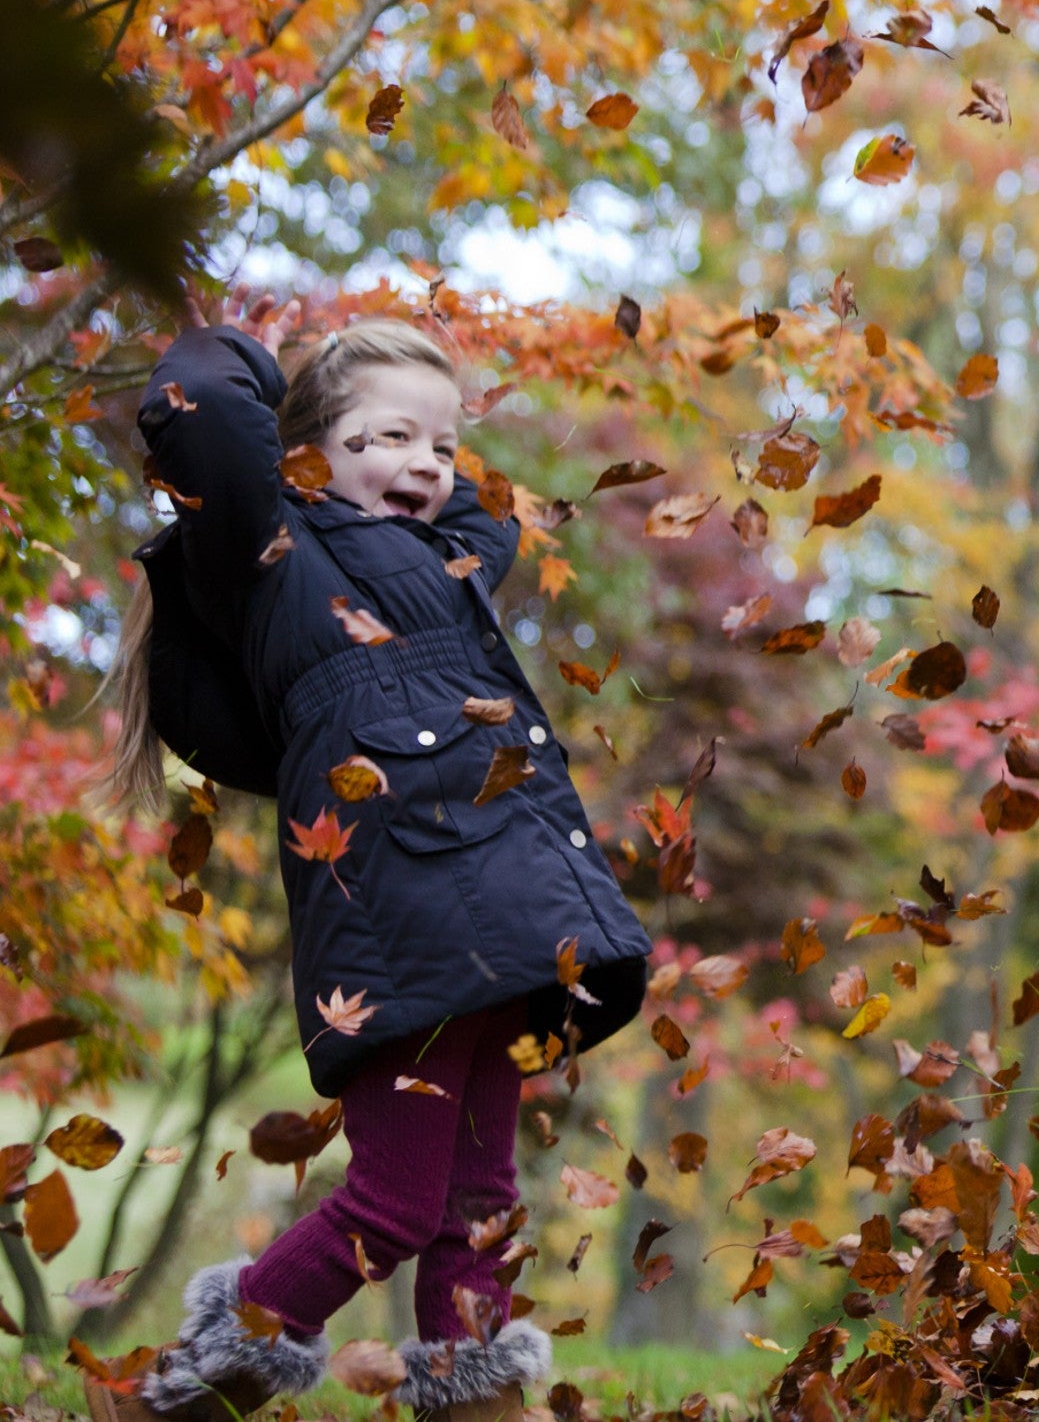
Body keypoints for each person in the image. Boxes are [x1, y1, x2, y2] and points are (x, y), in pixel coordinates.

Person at [91, 317, 654, 1422]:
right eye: (390, 437)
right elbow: (205, 405)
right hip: (405, 920)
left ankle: (476, 1405)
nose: (428, 466)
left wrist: (419, 423)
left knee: (480, 1204)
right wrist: (294, 372)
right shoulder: (273, 556)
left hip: (509, 920)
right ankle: (189, 1391)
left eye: (441, 447)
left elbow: (486, 503)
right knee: (394, 1204)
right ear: (303, 458)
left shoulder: (451, 561)